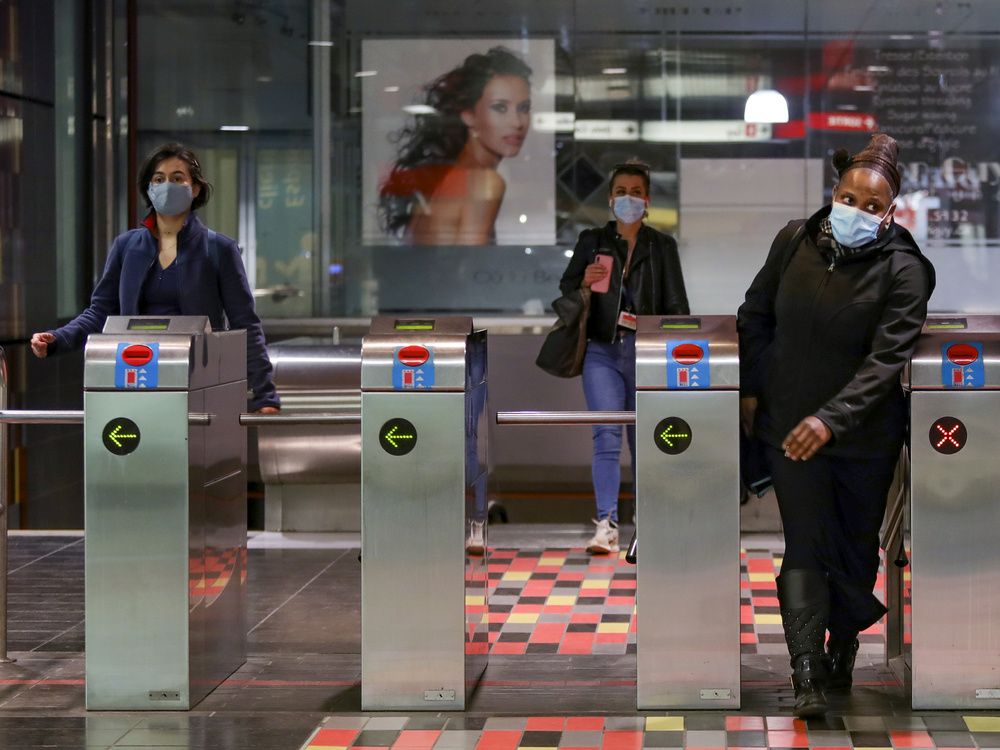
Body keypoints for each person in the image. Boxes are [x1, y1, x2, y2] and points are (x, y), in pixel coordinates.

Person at [737, 133, 935, 717]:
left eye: (873, 206)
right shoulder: (793, 240)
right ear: (835, 190)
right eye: (850, 197)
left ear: (891, 210)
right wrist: (754, 390)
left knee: (854, 552)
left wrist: (831, 419)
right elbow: (755, 313)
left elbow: (886, 361)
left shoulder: (906, 270)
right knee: (804, 543)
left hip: (864, 439)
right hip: (789, 430)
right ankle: (805, 675)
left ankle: (841, 646)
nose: (858, 211)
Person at [30, 142, 280, 414]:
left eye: (177, 178)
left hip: (200, 381)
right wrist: (58, 339)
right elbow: (100, 311)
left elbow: (246, 324)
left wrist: (264, 395)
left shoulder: (219, 249)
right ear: (149, 190)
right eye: (159, 179)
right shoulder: (126, 247)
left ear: (194, 188)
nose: (166, 185)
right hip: (136, 376)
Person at [559, 161, 689, 554]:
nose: (627, 198)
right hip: (602, 349)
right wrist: (583, 280)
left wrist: (673, 354)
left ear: (647, 201)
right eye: (620, 191)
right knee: (607, 436)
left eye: (635, 191)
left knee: (645, 440)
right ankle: (607, 524)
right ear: (610, 198)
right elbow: (566, 289)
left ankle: (648, 522)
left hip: (646, 352)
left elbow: (678, 306)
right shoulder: (592, 241)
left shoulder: (662, 246)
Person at [379, 46, 531, 245]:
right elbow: (473, 268)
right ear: (469, 116)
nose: (517, 122)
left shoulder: (452, 177)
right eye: (500, 108)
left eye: (524, 108)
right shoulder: (484, 181)